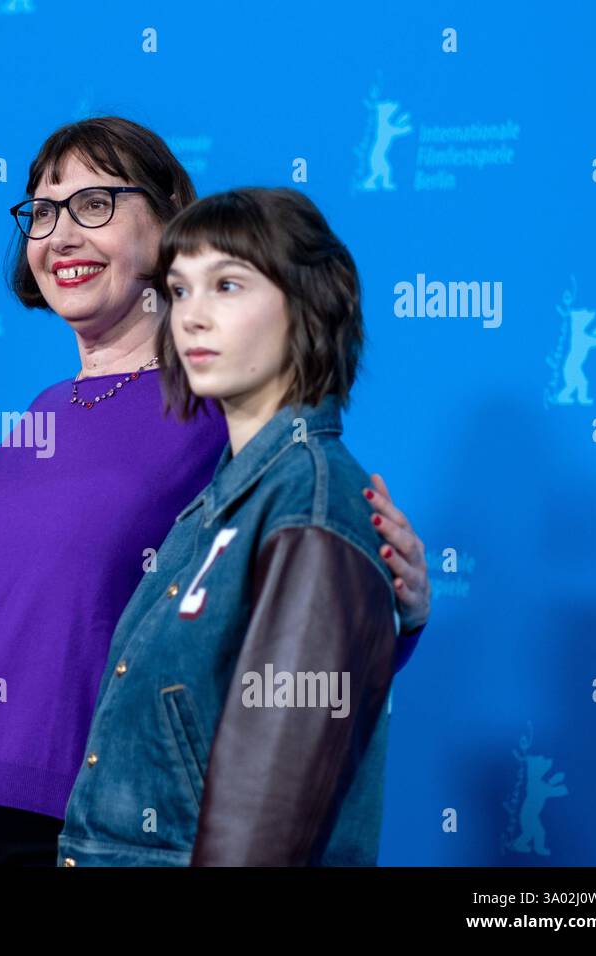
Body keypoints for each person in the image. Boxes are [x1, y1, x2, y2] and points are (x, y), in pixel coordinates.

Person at [0, 117, 429, 867]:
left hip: (86, 829)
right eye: (45, 211)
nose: (61, 234)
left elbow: (299, 613)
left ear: (168, 224)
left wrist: (396, 615)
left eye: (96, 205)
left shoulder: (219, 406)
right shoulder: (45, 410)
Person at [58, 186, 403, 866]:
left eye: (228, 285)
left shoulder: (309, 503)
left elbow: (267, 819)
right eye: (180, 291)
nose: (192, 317)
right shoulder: (224, 495)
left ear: (311, 302)